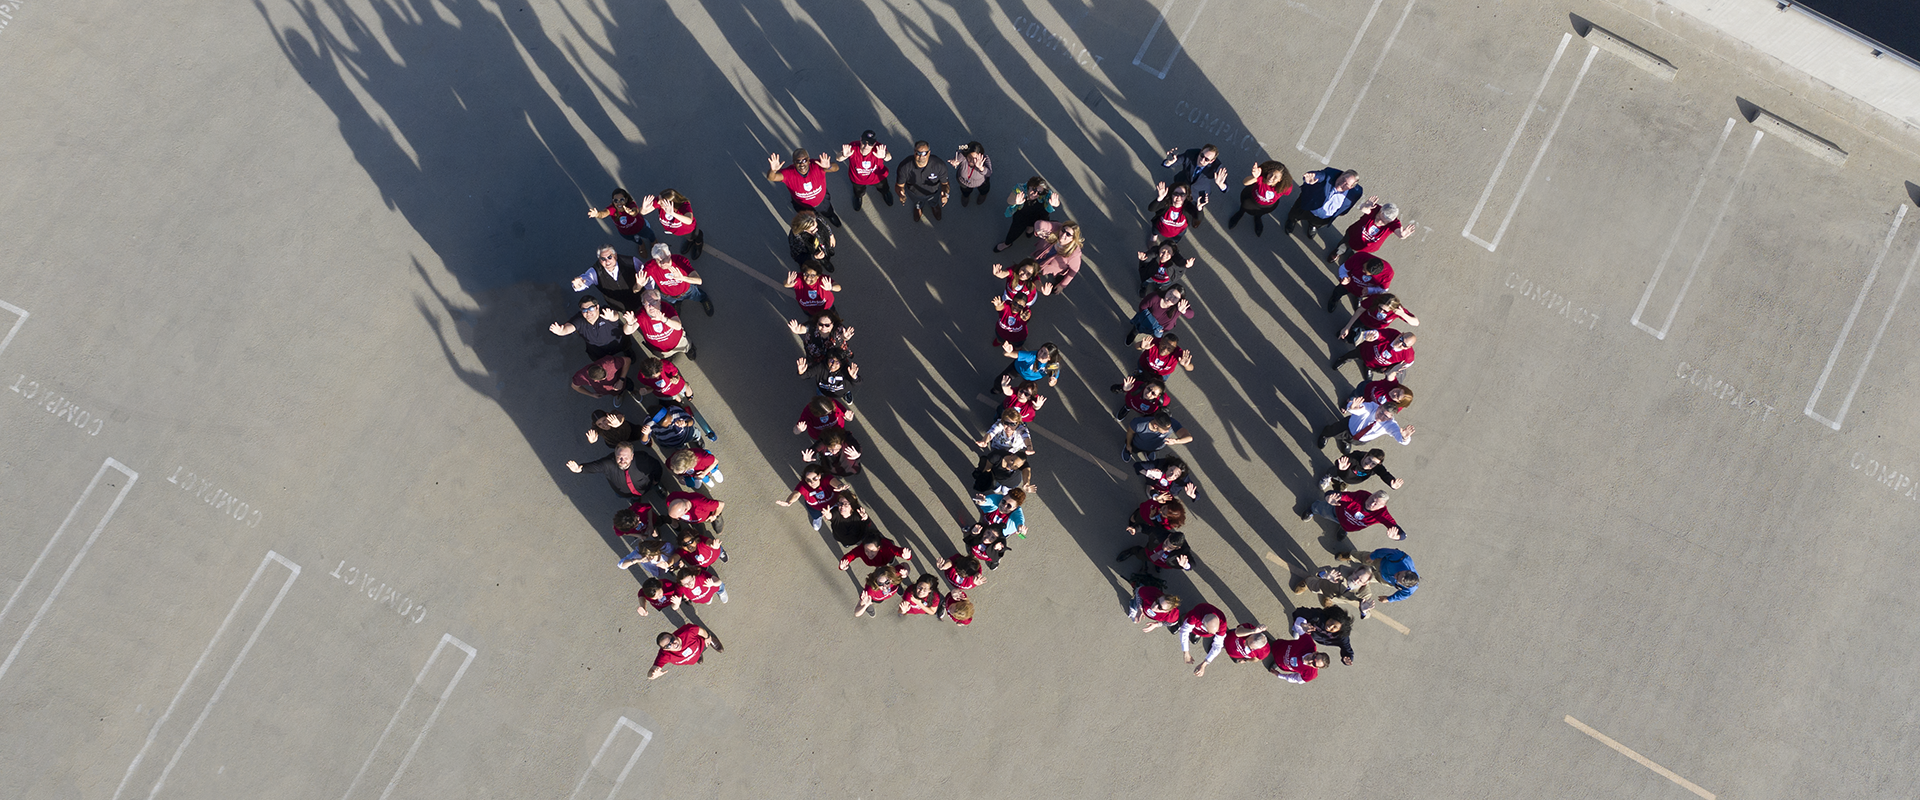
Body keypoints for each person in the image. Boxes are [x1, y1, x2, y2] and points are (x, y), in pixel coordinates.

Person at [765, 148, 842, 227]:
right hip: (802, 205)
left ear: (809, 160)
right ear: (794, 163)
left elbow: (836, 168)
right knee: (810, 219)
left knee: (828, 211)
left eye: (804, 160)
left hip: (822, 201)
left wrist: (828, 167)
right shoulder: (788, 173)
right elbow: (771, 178)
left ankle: (830, 216)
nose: (802, 164)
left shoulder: (817, 165)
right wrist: (773, 170)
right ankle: (818, 225)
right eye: (798, 161)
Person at [566, 442, 664, 502]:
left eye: (626, 457)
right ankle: (635, 499)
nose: (622, 460)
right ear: (615, 455)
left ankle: (656, 487)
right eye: (619, 457)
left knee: (653, 485)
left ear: (632, 456)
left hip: (646, 485)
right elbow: (595, 466)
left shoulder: (642, 459)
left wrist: (656, 479)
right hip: (623, 492)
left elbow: (656, 466)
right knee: (629, 497)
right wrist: (579, 469)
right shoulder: (609, 463)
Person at [550, 295, 638, 360]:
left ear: (597, 307)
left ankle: (628, 352)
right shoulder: (579, 320)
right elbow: (569, 327)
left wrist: (611, 316)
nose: (588, 313)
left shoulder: (605, 312)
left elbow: (615, 316)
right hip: (597, 349)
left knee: (626, 347)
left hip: (618, 342)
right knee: (601, 361)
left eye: (591, 308)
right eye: (584, 310)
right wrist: (561, 331)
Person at [1285, 168, 1363, 240]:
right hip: (1308, 206)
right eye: (1343, 179)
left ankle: (1313, 225)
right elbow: (1321, 175)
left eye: (1346, 184)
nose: (1342, 184)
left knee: (1317, 223)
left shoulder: (1356, 192)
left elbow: (1346, 207)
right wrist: (1314, 176)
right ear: (1341, 174)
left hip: (1323, 217)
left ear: (1351, 187)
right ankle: (1292, 221)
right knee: (1295, 214)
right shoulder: (1330, 174)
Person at [1331, 197, 1415, 263]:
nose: (1379, 221)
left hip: (1366, 247)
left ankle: (1350, 258)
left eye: (1383, 221)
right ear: (1380, 211)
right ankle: (1338, 252)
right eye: (1379, 217)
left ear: (1390, 221)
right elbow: (1364, 209)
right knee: (1344, 243)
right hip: (1353, 235)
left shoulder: (1394, 224)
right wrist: (1366, 205)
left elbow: (1399, 234)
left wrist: (1403, 235)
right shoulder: (1375, 208)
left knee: (1356, 254)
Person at [1160, 144, 1231, 223]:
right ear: (1200, 151)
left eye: (1206, 159)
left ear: (1212, 161)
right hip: (1183, 182)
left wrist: (1221, 185)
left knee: (1195, 210)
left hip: (1199, 192)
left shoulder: (1217, 167)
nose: (1202, 160)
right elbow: (1174, 161)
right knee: (1172, 200)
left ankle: (1195, 220)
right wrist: (1169, 162)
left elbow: (1226, 188)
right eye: (1201, 155)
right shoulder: (1190, 153)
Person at [1299, 489, 1405, 541]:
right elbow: (1341, 495)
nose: (1372, 504)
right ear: (1371, 495)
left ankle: (1343, 529)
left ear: (1382, 507)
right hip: (1336, 512)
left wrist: (1396, 536)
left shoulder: (1382, 515)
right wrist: (1329, 496)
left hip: (1350, 526)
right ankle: (1312, 509)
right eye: (1373, 499)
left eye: (1376, 504)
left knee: (1347, 526)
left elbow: (1402, 534)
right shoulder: (1360, 495)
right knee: (1322, 508)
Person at [1225, 161, 1296, 235]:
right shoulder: (1262, 178)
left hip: (1268, 206)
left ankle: (1257, 218)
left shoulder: (1284, 187)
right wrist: (1254, 177)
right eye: (1271, 173)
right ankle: (1239, 214)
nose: (1271, 178)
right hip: (1251, 200)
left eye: (1275, 177)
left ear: (1280, 179)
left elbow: (1287, 193)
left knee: (1260, 213)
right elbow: (1245, 182)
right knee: (1243, 208)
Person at [1317, 398, 1414, 452]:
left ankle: (1344, 441)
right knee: (1331, 431)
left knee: (1351, 442)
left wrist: (1405, 437)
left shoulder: (1390, 424)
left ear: (1391, 418)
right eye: (1381, 412)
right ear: (1379, 406)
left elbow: (1401, 440)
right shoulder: (1371, 406)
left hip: (1360, 439)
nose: (1381, 416)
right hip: (1346, 427)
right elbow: (1359, 409)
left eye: (1386, 416)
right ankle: (1325, 436)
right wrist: (1352, 407)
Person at [643, 243, 713, 317]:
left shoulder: (680, 261)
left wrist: (682, 278)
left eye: (663, 259)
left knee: (698, 295)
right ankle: (677, 303)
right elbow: (636, 288)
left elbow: (699, 280)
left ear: (669, 255)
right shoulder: (650, 266)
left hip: (687, 291)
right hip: (668, 295)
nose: (662, 263)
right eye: (658, 260)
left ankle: (703, 299)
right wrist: (639, 285)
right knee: (674, 301)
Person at [993, 177, 1061, 252]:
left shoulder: (1046, 193)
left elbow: (1055, 201)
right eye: (1034, 189)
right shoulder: (1020, 189)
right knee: (1014, 231)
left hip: (1038, 215)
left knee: (1035, 225)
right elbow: (1009, 200)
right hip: (1022, 216)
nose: (1035, 194)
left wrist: (1055, 204)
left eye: (1039, 192)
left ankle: (1030, 228)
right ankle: (1007, 243)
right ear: (1029, 185)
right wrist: (1015, 201)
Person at [571, 246, 647, 311]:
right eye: (603, 259)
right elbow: (586, 279)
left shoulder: (631, 262)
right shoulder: (596, 271)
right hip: (618, 305)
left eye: (609, 257)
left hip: (639, 298)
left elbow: (647, 274)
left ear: (615, 256)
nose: (607, 261)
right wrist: (578, 285)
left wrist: (649, 291)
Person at [1290, 562, 1377, 618]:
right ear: (1354, 571)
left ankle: (1327, 599)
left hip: (1335, 598)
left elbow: (1368, 613)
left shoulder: (1365, 594)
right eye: (1357, 576)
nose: (1356, 580)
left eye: (1361, 581)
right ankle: (1307, 581)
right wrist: (1325, 575)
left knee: (1326, 605)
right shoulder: (1342, 571)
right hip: (1324, 586)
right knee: (1314, 588)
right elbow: (1321, 570)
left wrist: (1363, 611)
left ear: (1365, 583)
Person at [894, 140, 951, 223]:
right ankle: (918, 208)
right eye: (918, 153)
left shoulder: (939, 165)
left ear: (929, 153)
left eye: (924, 153)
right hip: (914, 193)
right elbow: (899, 186)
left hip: (933, 192)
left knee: (934, 201)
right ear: (914, 152)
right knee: (917, 203)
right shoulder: (904, 167)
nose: (921, 157)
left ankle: (934, 205)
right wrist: (900, 194)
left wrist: (946, 194)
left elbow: (945, 184)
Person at [1338, 547, 1419, 603]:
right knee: (1364, 557)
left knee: (1370, 578)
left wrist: (1389, 599)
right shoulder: (1400, 558)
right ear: (1407, 570)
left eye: (1398, 580)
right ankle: (1350, 555)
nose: (1395, 576)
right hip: (1382, 562)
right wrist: (1372, 556)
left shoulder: (1409, 589)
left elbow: (1402, 595)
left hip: (1385, 578)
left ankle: (1366, 577)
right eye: (1398, 574)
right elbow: (1384, 551)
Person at [633, 288, 694, 361]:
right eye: (647, 303)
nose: (651, 306)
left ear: (659, 300)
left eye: (653, 302)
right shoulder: (641, 315)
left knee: (686, 345)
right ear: (643, 304)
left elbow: (678, 326)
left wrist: (664, 319)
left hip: (679, 341)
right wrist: (630, 323)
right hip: (661, 350)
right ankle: (668, 357)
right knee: (664, 356)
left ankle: (688, 350)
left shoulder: (667, 308)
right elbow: (627, 331)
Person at [775, 466, 844, 530]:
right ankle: (817, 518)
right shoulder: (803, 485)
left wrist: (839, 485)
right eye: (808, 480)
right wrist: (789, 501)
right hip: (814, 507)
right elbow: (796, 494)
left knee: (839, 517)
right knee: (815, 515)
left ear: (819, 476)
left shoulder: (826, 478)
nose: (812, 482)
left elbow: (834, 481)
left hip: (833, 503)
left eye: (815, 478)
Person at [1331, 330, 1416, 382]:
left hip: (1378, 365)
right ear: (1401, 334)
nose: (1400, 343)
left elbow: (1407, 365)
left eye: (1404, 345)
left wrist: (1390, 369)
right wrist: (1369, 336)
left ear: (1408, 347)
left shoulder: (1408, 356)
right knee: (1352, 355)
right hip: (1365, 351)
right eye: (1401, 339)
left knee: (1372, 367)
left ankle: (1368, 368)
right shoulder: (1391, 333)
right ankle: (1343, 359)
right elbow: (1378, 334)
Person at [837, 131, 892, 211]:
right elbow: (838, 158)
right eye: (864, 142)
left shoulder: (879, 148)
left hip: (878, 178)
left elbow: (889, 157)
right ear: (860, 139)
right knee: (858, 191)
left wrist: (884, 155)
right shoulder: (852, 146)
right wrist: (843, 155)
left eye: (870, 144)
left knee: (884, 187)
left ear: (874, 144)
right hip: (858, 180)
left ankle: (885, 193)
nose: (866, 146)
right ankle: (858, 197)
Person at [641, 188, 702, 259]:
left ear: (670, 203)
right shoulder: (660, 201)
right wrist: (644, 208)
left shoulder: (684, 205)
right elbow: (643, 212)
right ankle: (690, 241)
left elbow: (689, 220)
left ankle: (698, 244)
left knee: (694, 236)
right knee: (689, 238)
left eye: (661, 203)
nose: (658, 203)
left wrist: (672, 213)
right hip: (676, 231)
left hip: (689, 230)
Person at [588, 188, 656, 249]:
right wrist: (597, 214)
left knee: (650, 235)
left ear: (626, 200)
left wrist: (631, 212)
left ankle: (653, 242)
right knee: (636, 240)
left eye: (622, 199)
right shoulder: (612, 208)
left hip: (641, 227)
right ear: (613, 201)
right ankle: (641, 245)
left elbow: (635, 211)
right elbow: (603, 214)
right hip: (626, 233)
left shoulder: (631, 205)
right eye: (616, 200)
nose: (619, 202)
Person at [1338, 293, 1418, 344]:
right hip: (1362, 320)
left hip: (1375, 328)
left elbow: (1416, 323)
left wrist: (1403, 314)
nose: (1381, 311)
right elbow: (1360, 310)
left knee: (1358, 340)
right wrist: (1347, 327)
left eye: (1385, 311)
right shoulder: (1374, 299)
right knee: (1350, 333)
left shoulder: (1398, 311)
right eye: (1380, 308)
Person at [647, 623, 719, 680]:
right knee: (696, 656)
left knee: (704, 645)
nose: (673, 644)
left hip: (701, 644)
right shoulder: (665, 655)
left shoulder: (688, 631)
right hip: (691, 658)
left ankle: (711, 640)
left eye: (672, 640)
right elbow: (653, 670)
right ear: (665, 649)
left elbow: (700, 630)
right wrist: (651, 675)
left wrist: (708, 637)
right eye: (668, 646)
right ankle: (698, 656)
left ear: (673, 635)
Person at [1129, 284, 1195, 346]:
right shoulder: (1155, 297)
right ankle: (1134, 332)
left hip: (1160, 330)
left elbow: (1191, 315)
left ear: (1179, 301)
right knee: (1138, 328)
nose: (1171, 298)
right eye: (1170, 293)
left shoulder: (1179, 307)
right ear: (1167, 290)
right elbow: (1142, 307)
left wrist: (1184, 311)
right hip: (1146, 321)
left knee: (1156, 339)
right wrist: (1153, 324)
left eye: (1175, 298)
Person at [1325, 253, 1394, 313]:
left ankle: (1358, 298)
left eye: (1367, 273)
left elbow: (1383, 289)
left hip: (1363, 291)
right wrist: (1344, 277)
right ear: (1367, 261)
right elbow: (1343, 268)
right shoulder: (1359, 257)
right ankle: (1334, 299)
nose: (1363, 272)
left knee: (1359, 294)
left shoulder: (1388, 274)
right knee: (1339, 291)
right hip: (1349, 284)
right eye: (1364, 268)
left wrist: (1370, 290)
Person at [1028, 220, 1084, 292]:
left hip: (1050, 267)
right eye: (1063, 230)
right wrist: (1038, 230)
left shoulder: (1075, 254)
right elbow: (1039, 223)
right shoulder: (1058, 228)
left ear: (1073, 238)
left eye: (1068, 234)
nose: (1063, 235)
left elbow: (1073, 271)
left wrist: (1062, 285)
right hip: (1041, 256)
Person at [789, 313, 855, 374]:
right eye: (820, 324)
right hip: (817, 354)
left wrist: (845, 337)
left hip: (835, 352)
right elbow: (803, 328)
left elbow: (843, 336)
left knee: (841, 367)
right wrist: (797, 330)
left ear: (832, 324)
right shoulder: (813, 327)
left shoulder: (838, 328)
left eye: (827, 325)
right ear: (817, 323)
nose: (824, 327)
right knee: (818, 370)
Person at [1319, 448, 1404, 492]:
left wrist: (1391, 482)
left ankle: (1342, 485)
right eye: (1369, 459)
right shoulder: (1356, 457)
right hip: (1340, 472)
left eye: (1373, 464)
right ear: (1366, 455)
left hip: (1350, 480)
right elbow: (1343, 460)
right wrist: (1339, 466)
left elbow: (1384, 474)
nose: (1369, 464)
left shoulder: (1375, 467)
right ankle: (1327, 477)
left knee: (1341, 489)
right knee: (1332, 472)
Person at [1177, 602, 1228, 675]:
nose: (1214, 634)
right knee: (1185, 624)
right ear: (1203, 624)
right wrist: (1186, 652)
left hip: (1202, 629)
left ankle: (1198, 634)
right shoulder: (1195, 615)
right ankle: (1192, 629)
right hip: (1195, 626)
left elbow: (1218, 645)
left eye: (1215, 632)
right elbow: (1184, 632)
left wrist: (1204, 664)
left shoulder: (1222, 625)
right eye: (1211, 632)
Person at [1124, 412, 1191, 463]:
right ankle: (1128, 450)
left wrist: (1176, 441)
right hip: (1138, 445)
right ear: (1155, 425)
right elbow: (1130, 432)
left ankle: (1149, 452)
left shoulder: (1171, 423)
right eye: (1165, 429)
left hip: (1156, 447)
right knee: (1133, 449)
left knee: (1152, 450)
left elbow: (1189, 437)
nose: (1168, 431)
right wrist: (1128, 445)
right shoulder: (1138, 424)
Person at [1116, 529, 1193, 573]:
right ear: (1169, 536)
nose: (1165, 548)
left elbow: (1192, 564)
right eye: (1166, 543)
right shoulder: (1161, 534)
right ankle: (1133, 550)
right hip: (1152, 552)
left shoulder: (1184, 550)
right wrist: (1136, 528)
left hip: (1164, 561)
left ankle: (1157, 564)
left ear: (1178, 548)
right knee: (1141, 555)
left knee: (1159, 562)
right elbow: (1148, 529)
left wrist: (1185, 566)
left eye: (1170, 547)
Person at [640, 402, 706, 450]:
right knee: (681, 447)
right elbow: (644, 442)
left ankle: (697, 438)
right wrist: (646, 434)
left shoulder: (675, 411)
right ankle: (681, 447)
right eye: (667, 424)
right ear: (657, 423)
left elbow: (691, 421)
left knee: (695, 433)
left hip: (686, 433)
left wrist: (685, 423)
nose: (671, 423)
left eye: (670, 419)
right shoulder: (649, 423)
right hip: (670, 442)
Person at [950, 141, 993, 206]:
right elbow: (958, 159)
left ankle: (983, 195)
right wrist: (955, 161)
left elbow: (989, 173)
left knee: (984, 190)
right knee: (965, 192)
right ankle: (965, 196)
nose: (972, 160)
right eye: (969, 157)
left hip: (981, 182)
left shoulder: (985, 159)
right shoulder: (963, 157)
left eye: (975, 158)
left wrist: (981, 168)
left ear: (980, 155)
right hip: (964, 182)